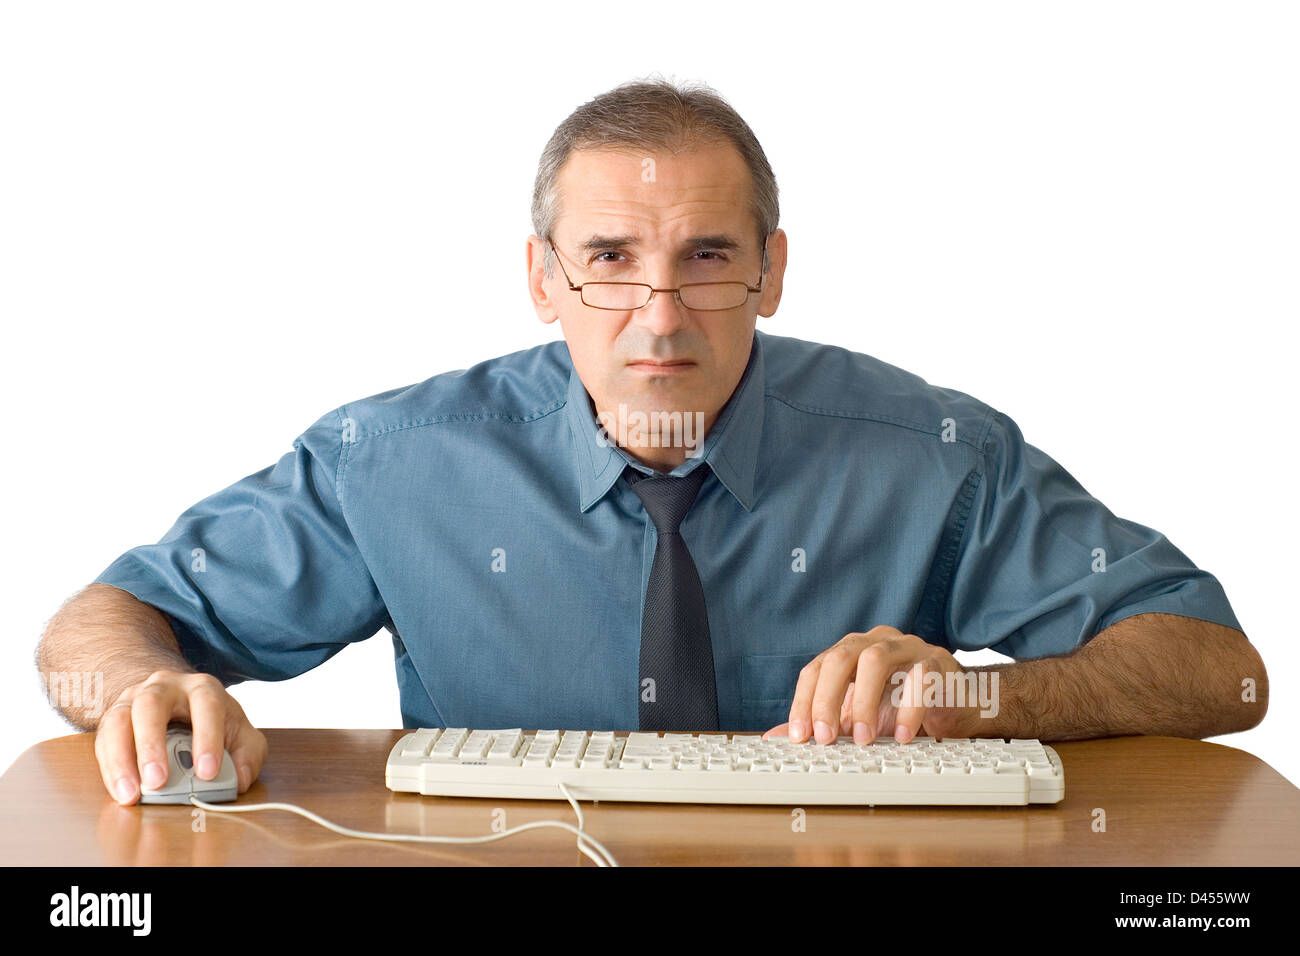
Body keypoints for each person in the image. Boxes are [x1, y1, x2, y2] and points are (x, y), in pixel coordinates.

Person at [37, 77, 1267, 806]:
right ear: (541, 278)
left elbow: (1221, 668)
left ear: (773, 272)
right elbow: (89, 631)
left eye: (709, 259)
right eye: (612, 260)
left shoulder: (933, 452)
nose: (659, 315)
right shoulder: (396, 460)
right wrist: (144, 688)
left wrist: (978, 697)